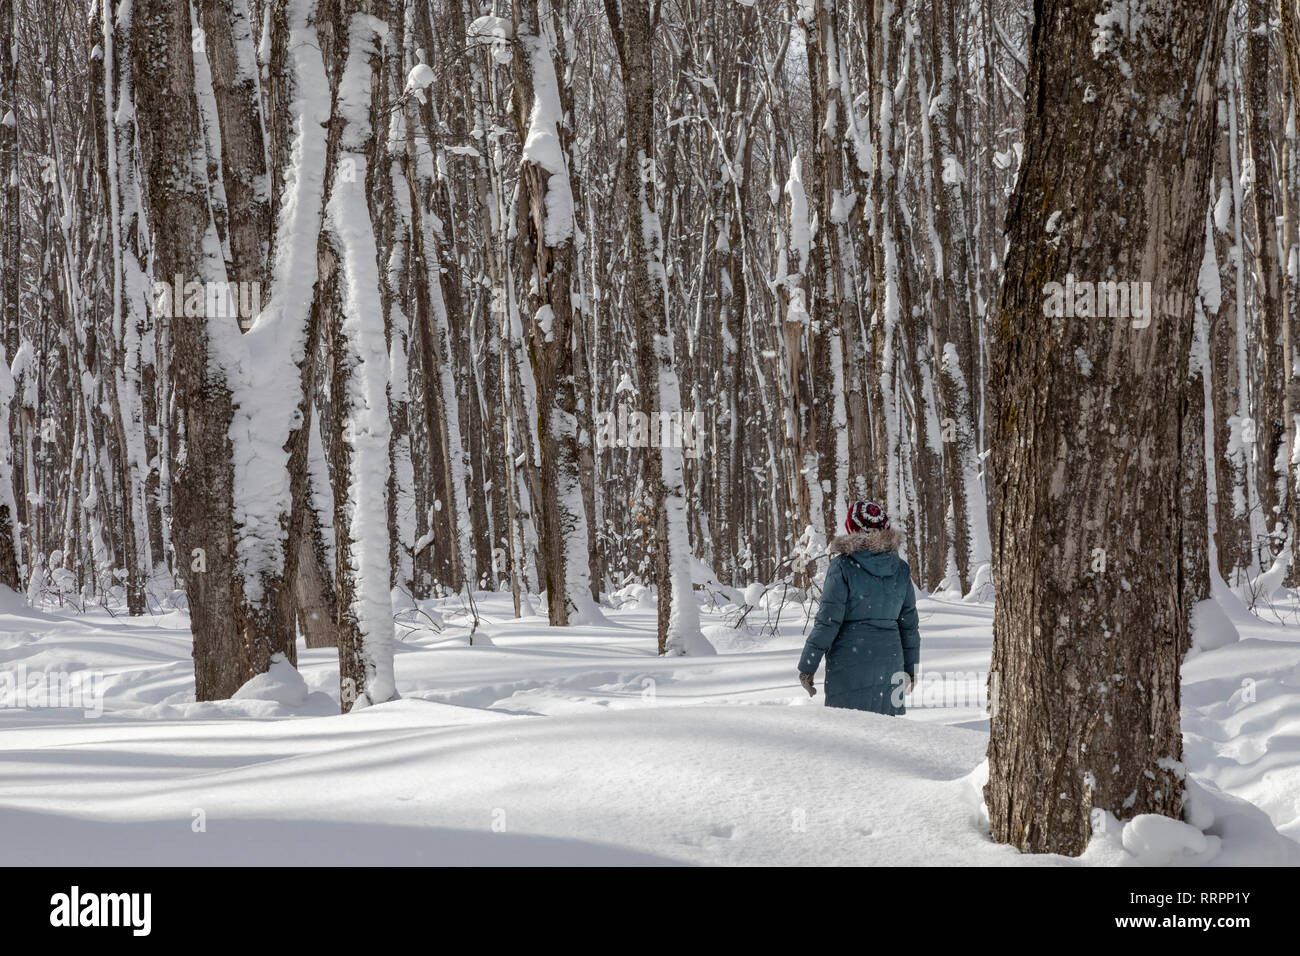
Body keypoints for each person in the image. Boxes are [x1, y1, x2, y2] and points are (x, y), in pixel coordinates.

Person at [796, 501, 920, 714]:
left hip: (850, 664)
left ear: (851, 528)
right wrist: (910, 668)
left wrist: (807, 666)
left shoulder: (843, 566)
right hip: (890, 662)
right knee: (888, 737)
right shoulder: (900, 569)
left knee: (848, 738)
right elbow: (909, 626)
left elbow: (827, 622)